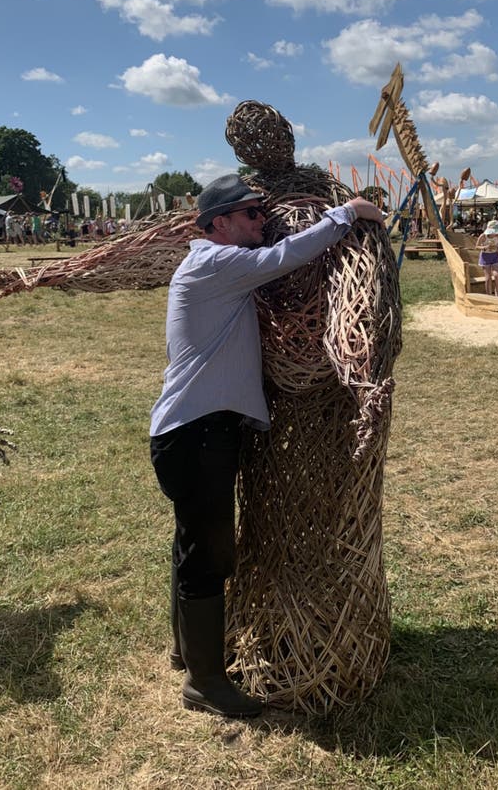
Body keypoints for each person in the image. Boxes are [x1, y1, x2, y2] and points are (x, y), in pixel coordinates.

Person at [149, 174, 384, 718]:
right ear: (219, 224)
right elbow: (286, 257)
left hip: (196, 432)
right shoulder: (216, 263)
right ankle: (205, 683)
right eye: (251, 214)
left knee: (194, 540)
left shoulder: (211, 266)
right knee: (208, 553)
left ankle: (186, 652)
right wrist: (347, 213)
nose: (262, 221)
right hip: (197, 433)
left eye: (261, 211)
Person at [476, 218, 498, 296]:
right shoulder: (483, 236)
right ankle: (488, 294)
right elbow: (476, 247)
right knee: (488, 278)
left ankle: (497, 290)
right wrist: (485, 247)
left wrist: (496, 247)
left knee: (497, 275)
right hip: (485, 256)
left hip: (495, 255)